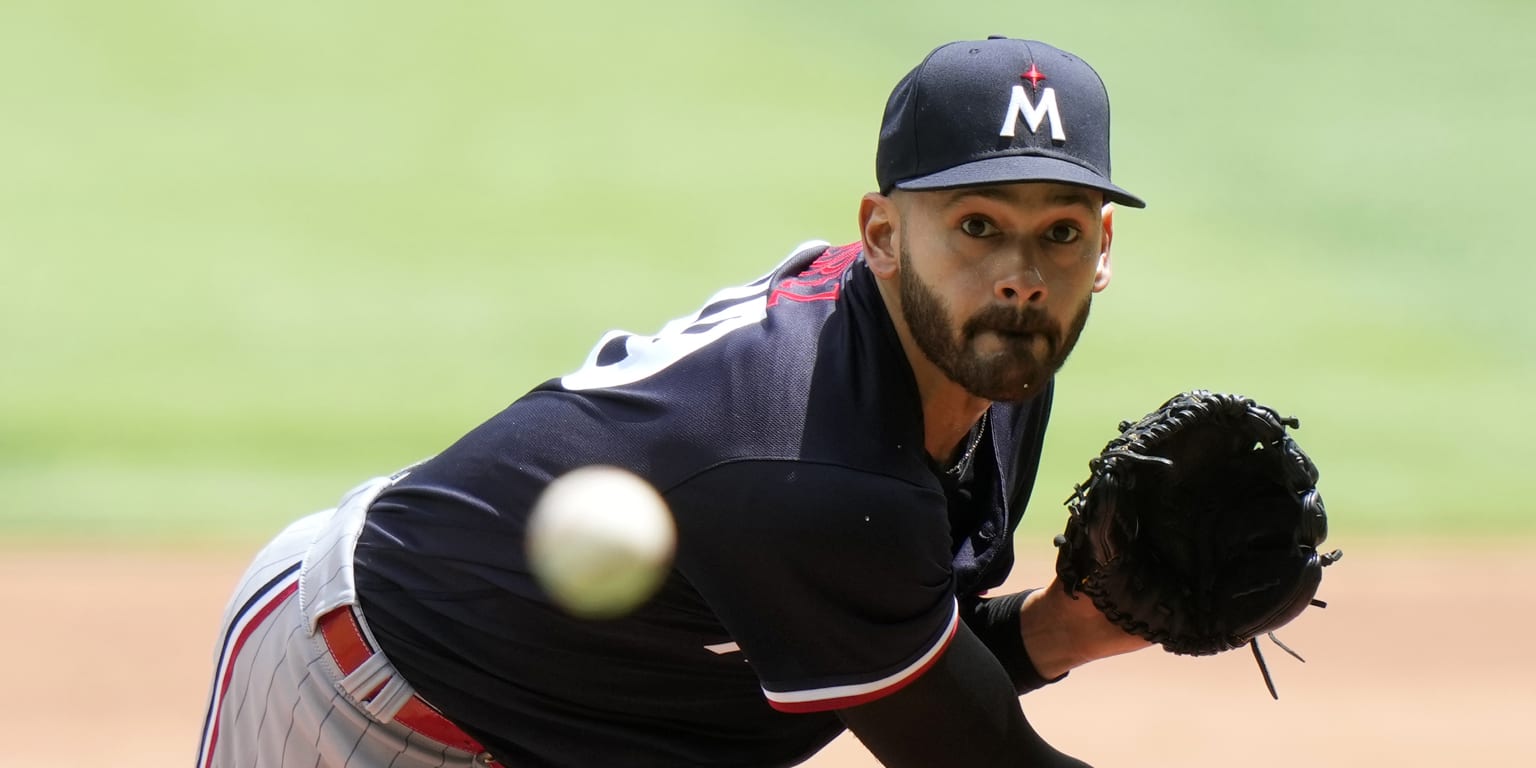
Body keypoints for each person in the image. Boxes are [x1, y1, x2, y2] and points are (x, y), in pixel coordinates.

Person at [196, 35, 1153, 768]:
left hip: (576, 710)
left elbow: (886, 651)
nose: (1022, 273)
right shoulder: (809, 467)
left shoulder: (988, 356)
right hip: (363, 704)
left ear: (1102, 249)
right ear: (881, 235)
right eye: (977, 225)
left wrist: (1066, 627)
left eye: (1060, 232)